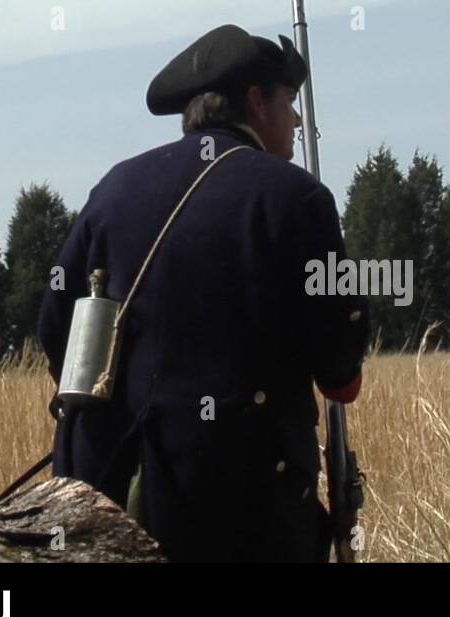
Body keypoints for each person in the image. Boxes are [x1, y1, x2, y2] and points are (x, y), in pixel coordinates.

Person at [38, 24, 369, 562]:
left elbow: (57, 327)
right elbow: (340, 368)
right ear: (257, 102)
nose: (297, 121)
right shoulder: (295, 195)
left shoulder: (114, 187)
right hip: (242, 511)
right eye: (289, 101)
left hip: (100, 495)